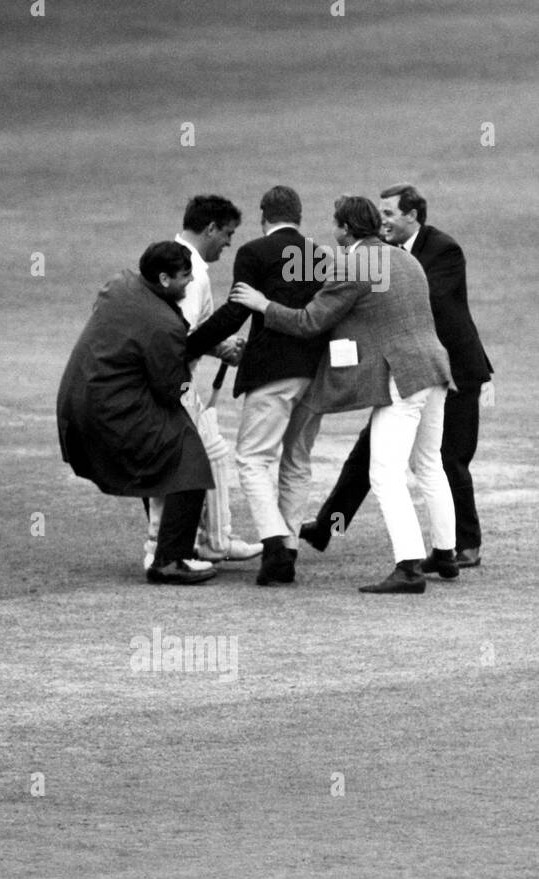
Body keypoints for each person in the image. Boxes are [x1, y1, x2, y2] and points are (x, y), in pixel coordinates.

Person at [230, 196, 455, 593]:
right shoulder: (406, 258)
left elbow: (309, 321)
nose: (332, 234)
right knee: (428, 463)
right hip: (435, 369)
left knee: (384, 473)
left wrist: (262, 304)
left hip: (402, 377)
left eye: (335, 226)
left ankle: (409, 568)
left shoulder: (352, 264)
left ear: (346, 229)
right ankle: (446, 553)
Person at [299, 184, 493, 569]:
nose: (383, 219)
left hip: (450, 369)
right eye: (379, 214)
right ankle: (331, 527)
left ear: (413, 216)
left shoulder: (441, 250)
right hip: (423, 369)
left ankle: (454, 549)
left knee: (439, 462)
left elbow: (422, 305)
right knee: (382, 459)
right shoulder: (395, 258)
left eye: (389, 213)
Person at [187, 185, 329, 586]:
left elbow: (235, 311)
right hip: (316, 373)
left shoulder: (254, 253)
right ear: (298, 216)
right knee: (297, 460)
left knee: (253, 459)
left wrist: (189, 345)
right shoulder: (319, 256)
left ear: (265, 215)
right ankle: (289, 548)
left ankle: (277, 545)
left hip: (273, 371)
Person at [58, 241, 217, 585]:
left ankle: (165, 549)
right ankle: (170, 560)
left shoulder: (119, 284)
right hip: (112, 409)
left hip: (80, 400)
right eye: (184, 277)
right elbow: (168, 388)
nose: (189, 284)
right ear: (163, 279)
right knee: (190, 460)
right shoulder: (163, 323)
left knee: (171, 451)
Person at [146, 196, 260, 569]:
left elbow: (189, 334)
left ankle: (208, 540)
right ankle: (196, 544)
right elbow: (180, 337)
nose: (228, 243)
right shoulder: (190, 271)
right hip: (173, 384)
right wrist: (220, 346)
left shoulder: (171, 257)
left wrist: (221, 348)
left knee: (202, 455)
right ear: (210, 228)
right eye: (226, 234)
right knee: (199, 458)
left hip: (166, 380)